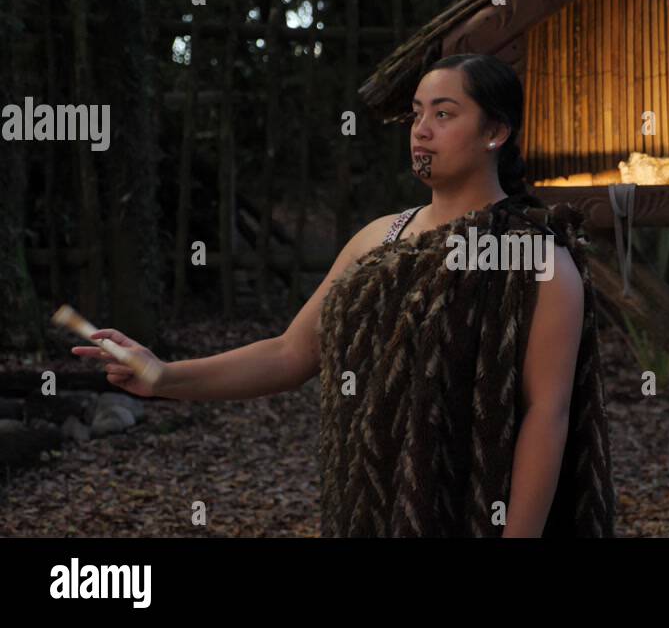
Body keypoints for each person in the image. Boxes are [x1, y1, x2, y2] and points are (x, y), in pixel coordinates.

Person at [74, 53, 615, 538]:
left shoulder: (535, 259)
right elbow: (290, 354)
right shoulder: (378, 239)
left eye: (444, 114)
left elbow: (548, 414)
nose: (421, 131)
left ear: (495, 130)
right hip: (370, 509)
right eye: (417, 113)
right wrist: (164, 375)